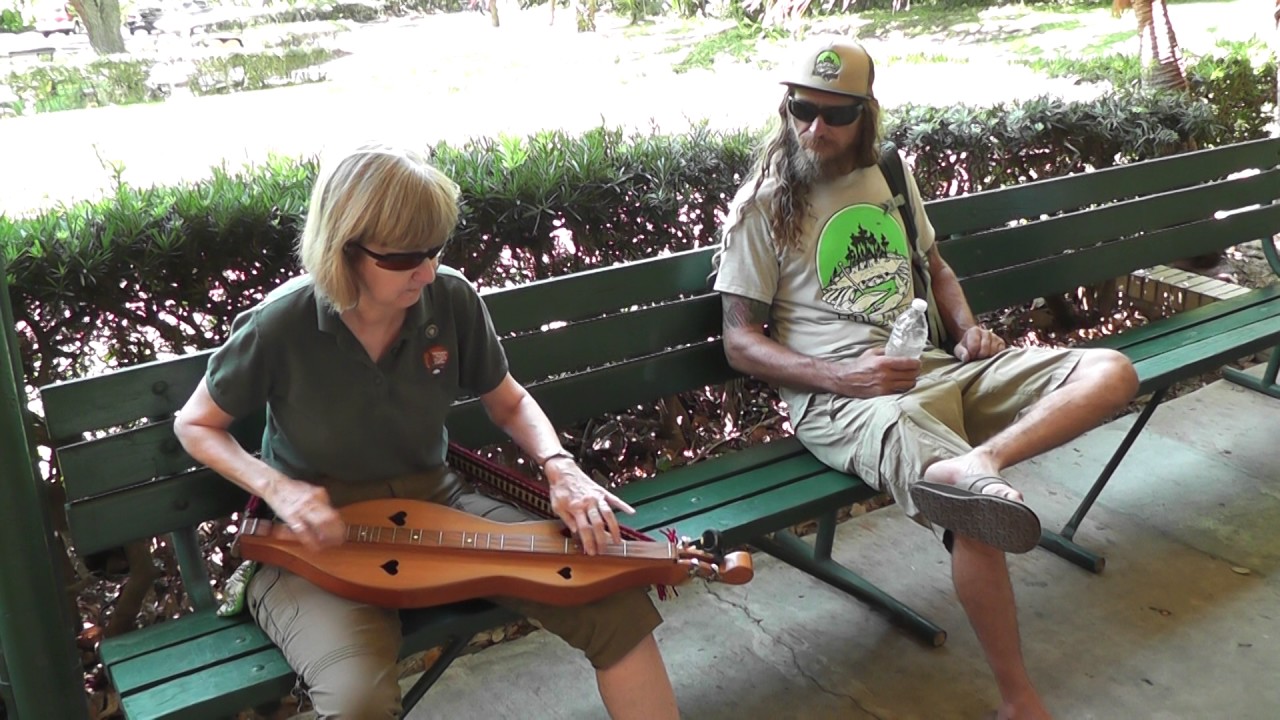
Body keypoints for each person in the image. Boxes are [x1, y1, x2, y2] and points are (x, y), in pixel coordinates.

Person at [173, 143, 678, 719]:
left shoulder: (449, 298)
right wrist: (277, 488)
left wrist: (559, 466)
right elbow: (195, 425)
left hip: (437, 499)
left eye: (435, 249)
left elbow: (509, 401)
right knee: (358, 699)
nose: (428, 270)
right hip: (317, 534)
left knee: (612, 603)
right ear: (345, 248)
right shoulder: (280, 324)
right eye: (405, 256)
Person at [712, 39, 1139, 720]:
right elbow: (740, 342)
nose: (814, 128)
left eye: (834, 113)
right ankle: (1019, 700)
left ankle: (980, 461)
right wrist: (841, 376)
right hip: (846, 405)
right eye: (800, 108)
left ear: (866, 114)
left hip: (938, 369)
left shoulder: (886, 171)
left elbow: (934, 266)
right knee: (976, 512)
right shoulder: (763, 205)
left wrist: (967, 327)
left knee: (1110, 369)